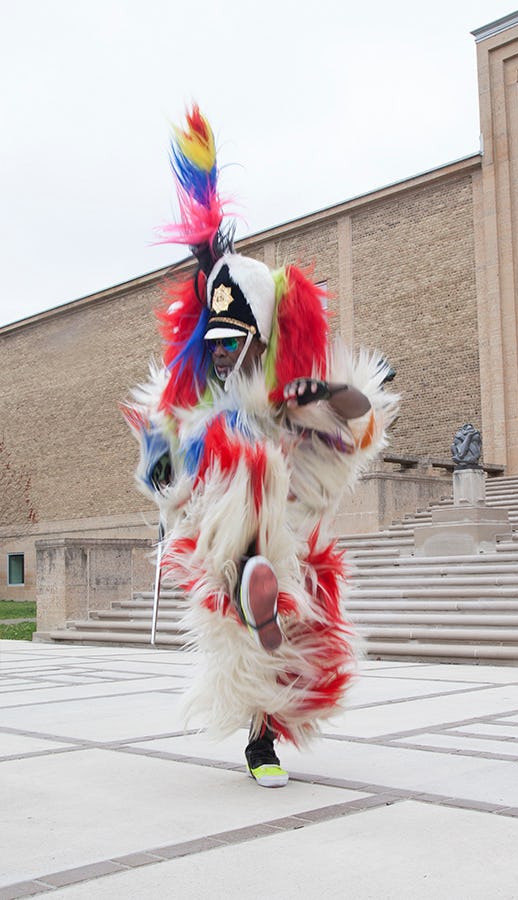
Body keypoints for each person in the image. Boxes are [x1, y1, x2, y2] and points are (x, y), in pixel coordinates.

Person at [124, 105, 398, 787]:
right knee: (231, 488)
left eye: (233, 343)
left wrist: (321, 404)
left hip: (283, 521)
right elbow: (162, 464)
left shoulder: (281, 394)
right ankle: (249, 591)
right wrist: (167, 457)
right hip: (214, 520)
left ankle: (262, 699)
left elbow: (352, 433)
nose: (221, 357)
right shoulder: (196, 399)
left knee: (284, 646)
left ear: (259, 338)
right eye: (212, 345)